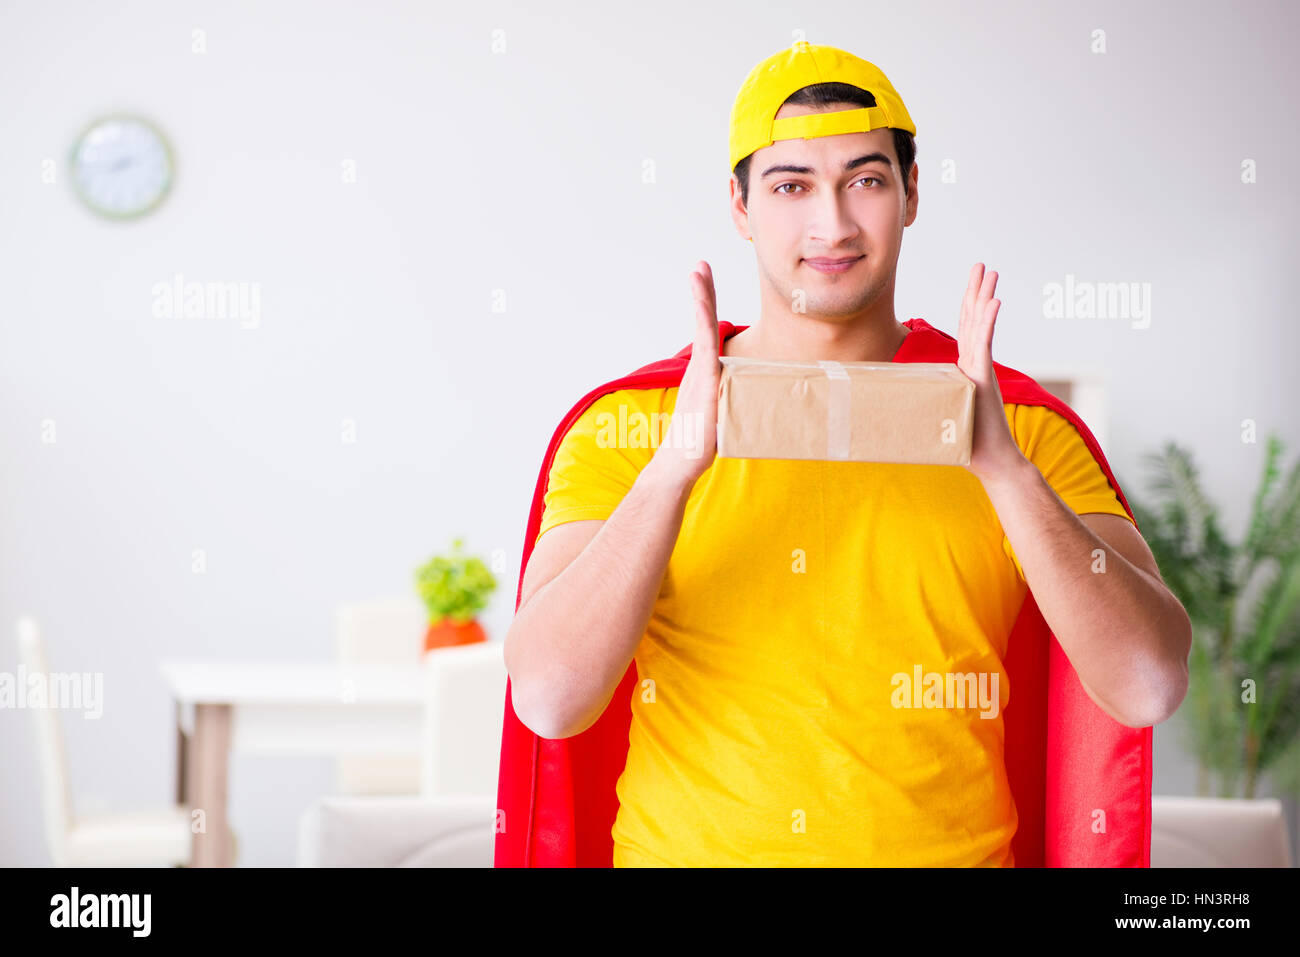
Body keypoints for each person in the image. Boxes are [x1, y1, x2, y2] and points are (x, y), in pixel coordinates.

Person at [496, 41, 1190, 867]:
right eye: (792, 185)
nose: (832, 223)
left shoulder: (1022, 431)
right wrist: (674, 469)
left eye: (865, 179)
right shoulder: (629, 425)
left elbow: (1148, 684)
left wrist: (1005, 473)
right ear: (742, 205)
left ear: (911, 194)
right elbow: (548, 698)